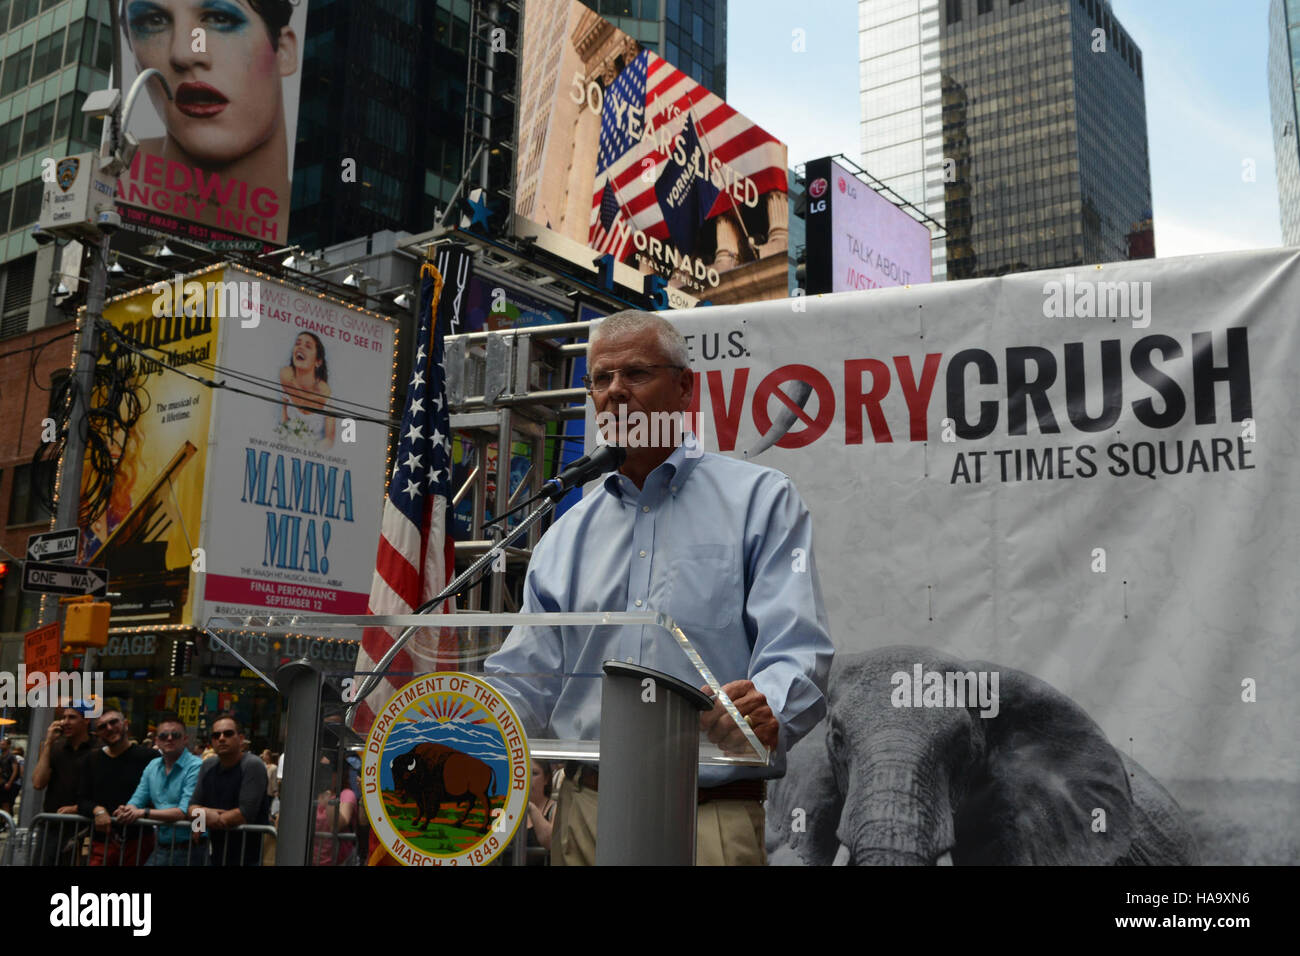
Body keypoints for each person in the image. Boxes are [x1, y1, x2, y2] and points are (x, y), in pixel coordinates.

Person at [483, 310, 834, 866]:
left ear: (685, 387)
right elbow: (529, 676)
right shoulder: (566, 530)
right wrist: (471, 722)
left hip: (710, 814)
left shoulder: (761, 501)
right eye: (601, 378)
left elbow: (797, 650)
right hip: (586, 814)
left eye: (637, 373)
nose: (615, 392)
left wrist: (768, 704)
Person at [121, 0, 299, 241]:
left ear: (284, 51)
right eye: (154, 21)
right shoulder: (103, 191)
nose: (183, 54)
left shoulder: (317, 232)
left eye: (219, 18)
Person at [112, 713, 203, 866]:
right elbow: (138, 798)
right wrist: (127, 810)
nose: (169, 739)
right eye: (163, 736)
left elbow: (184, 811)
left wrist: (144, 813)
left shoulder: (196, 766)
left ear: (185, 739)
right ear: (156, 741)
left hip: (190, 849)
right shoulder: (152, 765)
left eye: (175, 735)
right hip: (161, 847)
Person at [76, 710, 159, 866]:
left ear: (125, 724)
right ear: (97, 733)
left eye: (114, 722)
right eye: (102, 726)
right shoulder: (91, 760)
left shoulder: (150, 757)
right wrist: (97, 810)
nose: (109, 728)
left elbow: (160, 795)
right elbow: (82, 799)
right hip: (103, 841)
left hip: (140, 840)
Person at [187, 714, 270, 866]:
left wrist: (207, 818)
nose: (221, 738)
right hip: (213, 854)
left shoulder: (253, 765)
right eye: (216, 735)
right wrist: (204, 816)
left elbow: (245, 813)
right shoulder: (207, 765)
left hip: (246, 856)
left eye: (228, 733)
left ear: (241, 738)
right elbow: (192, 807)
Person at [31, 703, 97, 863]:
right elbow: (38, 783)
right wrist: (48, 743)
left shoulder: (99, 749)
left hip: (84, 828)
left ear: (86, 720)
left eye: (72, 717)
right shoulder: (55, 748)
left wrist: (77, 809)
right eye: (63, 717)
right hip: (52, 827)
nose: (65, 722)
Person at [278, 331, 335, 448]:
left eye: (308, 346)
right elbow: (284, 420)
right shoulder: (286, 376)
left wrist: (309, 451)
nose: (300, 347)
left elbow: (329, 439)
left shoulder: (325, 394)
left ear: (318, 361)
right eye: (298, 343)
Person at [0, 738, 19, 821]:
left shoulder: (11, 756)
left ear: (8, 745)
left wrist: (10, 782)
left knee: (6, 804)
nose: (1, 745)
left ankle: (6, 822)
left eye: (3, 744)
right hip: (1, 782)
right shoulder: (1, 757)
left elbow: (15, 770)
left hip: (7, 783)